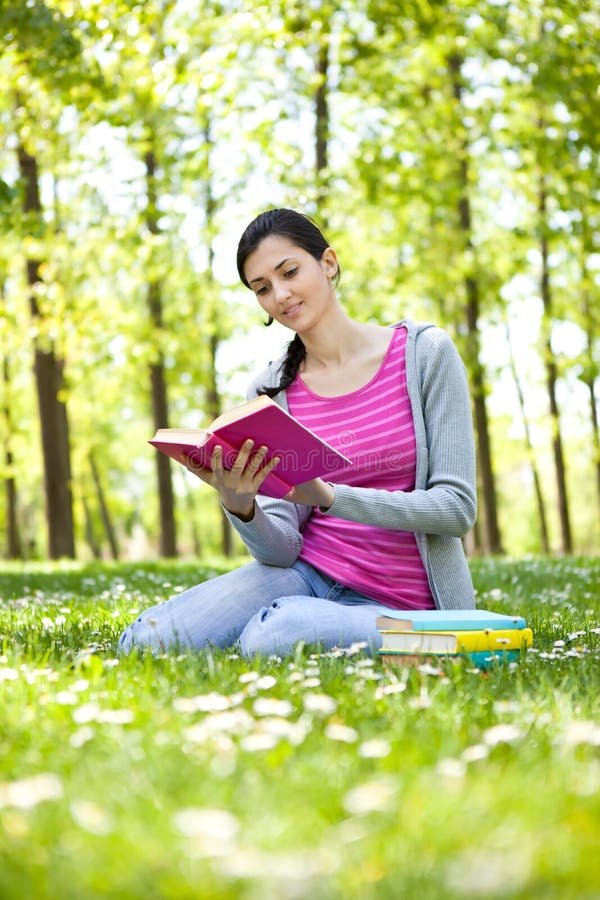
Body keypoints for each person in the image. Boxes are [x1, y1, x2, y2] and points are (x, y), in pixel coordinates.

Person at [118, 208, 477, 658]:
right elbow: (282, 551)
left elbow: (457, 509)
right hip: (306, 575)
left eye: (289, 272)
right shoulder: (273, 393)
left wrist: (330, 497)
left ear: (327, 263)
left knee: (272, 635)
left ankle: (431, 642)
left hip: (407, 602)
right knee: (146, 641)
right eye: (262, 288)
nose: (281, 295)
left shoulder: (425, 354)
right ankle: (306, 621)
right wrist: (240, 506)